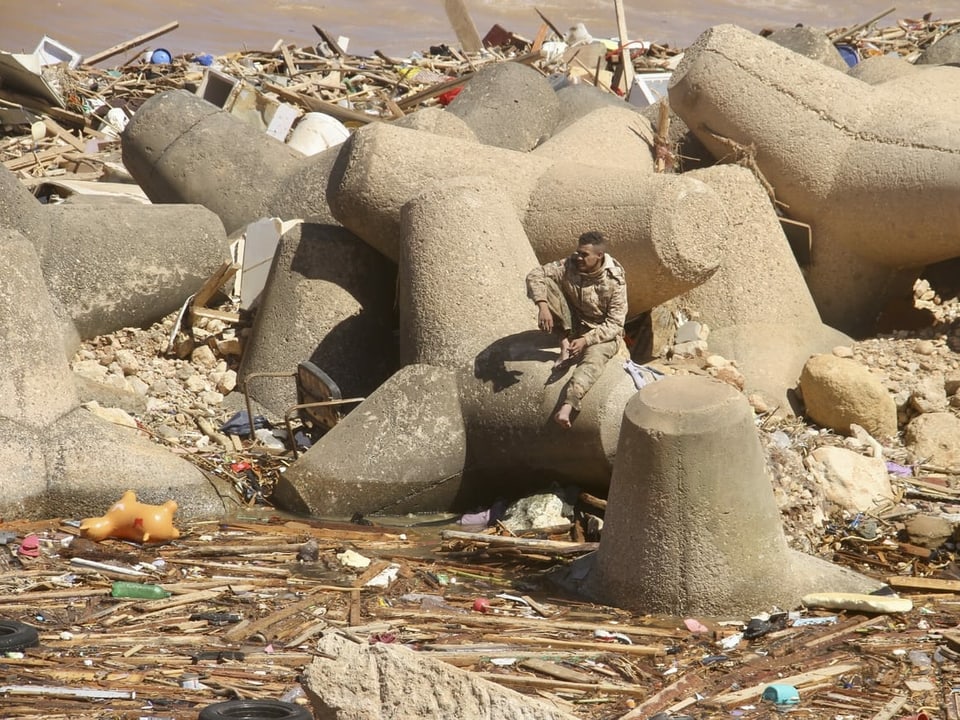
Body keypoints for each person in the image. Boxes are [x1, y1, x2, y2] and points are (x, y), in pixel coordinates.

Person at [526, 231, 628, 428]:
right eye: (578, 252)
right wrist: (542, 305)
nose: (579, 257)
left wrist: (586, 341)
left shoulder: (615, 281)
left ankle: (570, 403)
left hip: (601, 331)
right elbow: (536, 274)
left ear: (599, 256)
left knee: (594, 359)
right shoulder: (571, 263)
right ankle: (563, 343)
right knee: (546, 283)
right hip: (575, 320)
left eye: (584, 255)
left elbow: (615, 324)